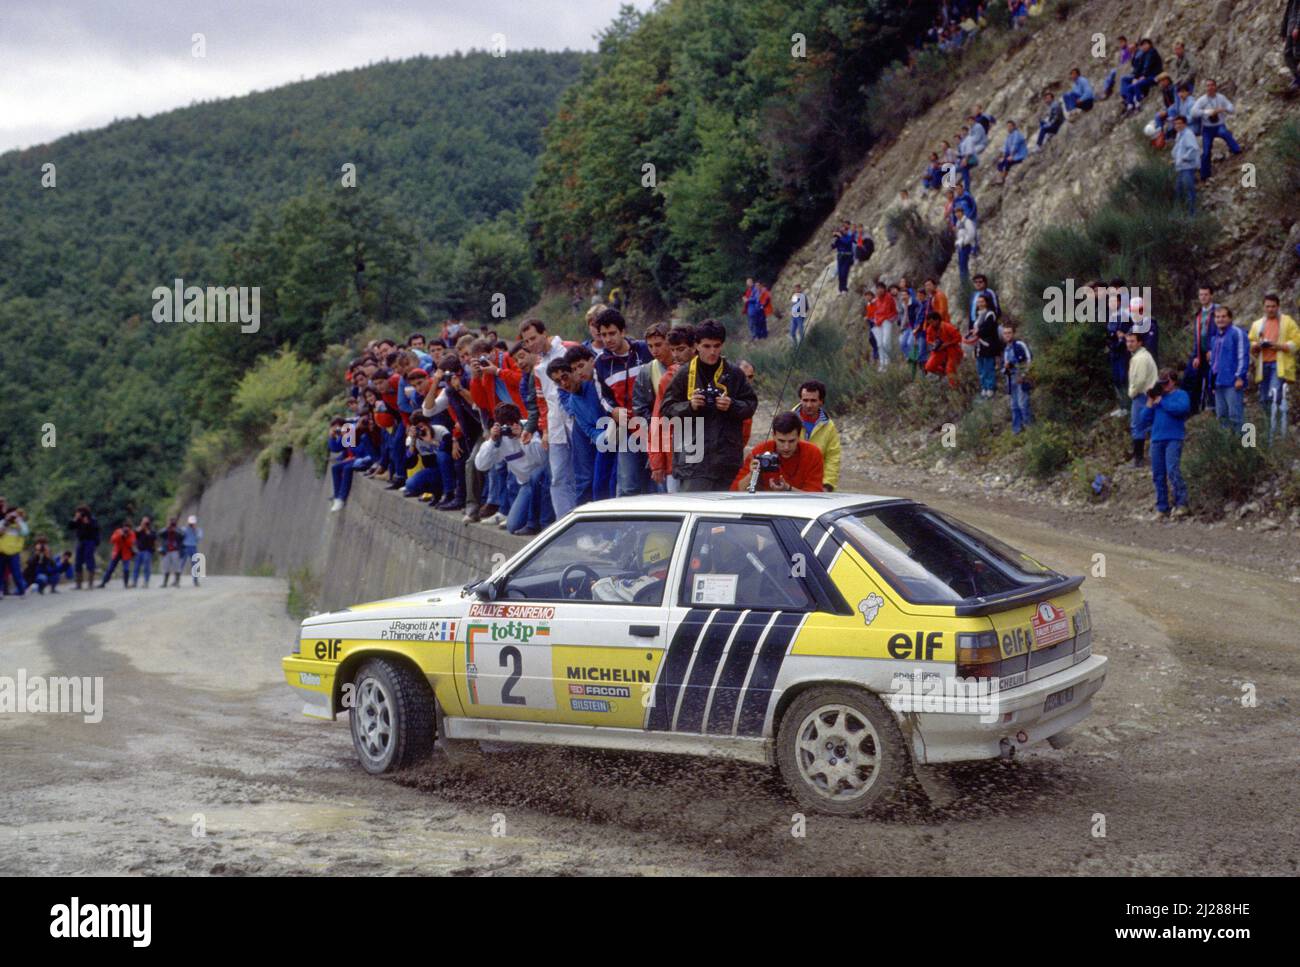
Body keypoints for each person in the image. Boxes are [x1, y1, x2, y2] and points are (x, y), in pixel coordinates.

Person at [660, 319, 757, 491]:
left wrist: (732, 405)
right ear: (696, 345)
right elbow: (666, 409)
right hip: (693, 463)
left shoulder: (734, 373)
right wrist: (690, 406)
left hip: (727, 461)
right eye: (706, 346)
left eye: (716, 346)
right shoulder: (684, 374)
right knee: (693, 508)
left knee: (726, 514)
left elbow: (750, 405)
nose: (712, 351)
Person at [520, 319, 577, 517]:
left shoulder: (568, 349)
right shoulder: (538, 366)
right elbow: (541, 402)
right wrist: (543, 429)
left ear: (545, 333)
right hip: (554, 427)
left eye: (533, 338)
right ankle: (565, 523)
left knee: (582, 475)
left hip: (577, 422)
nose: (531, 344)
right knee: (558, 478)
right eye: (527, 342)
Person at [594, 310, 654, 497]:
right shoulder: (601, 362)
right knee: (628, 485)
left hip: (655, 426)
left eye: (612, 333)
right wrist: (614, 411)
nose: (608, 339)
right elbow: (603, 396)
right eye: (603, 335)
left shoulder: (644, 350)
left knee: (656, 483)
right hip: (627, 429)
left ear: (622, 331)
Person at [473, 403, 551, 536]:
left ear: (519, 419)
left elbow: (542, 460)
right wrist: (492, 441)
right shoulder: (499, 438)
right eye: (505, 425)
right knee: (513, 525)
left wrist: (523, 437)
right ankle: (534, 515)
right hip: (526, 485)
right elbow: (481, 465)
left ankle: (542, 521)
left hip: (543, 480)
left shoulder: (529, 427)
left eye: (511, 424)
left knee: (536, 476)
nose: (508, 429)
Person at [1138, 370, 1192, 518]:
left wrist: (1162, 401)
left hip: (1174, 437)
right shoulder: (1157, 398)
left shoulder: (1180, 395)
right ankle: (1162, 507)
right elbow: (1142, 420)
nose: (1165, 386)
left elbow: (1182, 409)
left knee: (1173, 469)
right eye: (1162, 383)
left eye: (1167, 382)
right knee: (1158, 474)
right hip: (1157, 439)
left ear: (1173, 381)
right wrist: (1149, 403)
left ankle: (1182, 503)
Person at [1248, 294, 1300, 442]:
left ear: (1278, 306)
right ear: (1263, 307)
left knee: (1274, 395)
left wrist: (1279, 346)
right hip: (1262, 364)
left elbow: (1297, 340)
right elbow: (1251, 341)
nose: (1270, 309)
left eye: (1273, 306)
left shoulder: (1287, 322)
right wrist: (1256, 346)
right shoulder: (1257, 324)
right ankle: (1268, 428)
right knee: (1264, 399)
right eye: (1267, 306)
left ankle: (1277, 432)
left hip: (1279, 365)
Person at [733, 412, 825, 493]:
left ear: (799, 436)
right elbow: (736, 491)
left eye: (791, 441)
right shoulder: (760, 452)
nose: (786, 447)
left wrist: (788, 489)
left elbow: (815, 496)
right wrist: (751, 475)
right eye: (781, 441)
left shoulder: (812, 454)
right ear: (773, 436)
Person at [1191, 78, 1242, 181]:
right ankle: (1205, 174)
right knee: (1206, 151)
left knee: (1224, 133)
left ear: (1215, 86)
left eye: (1212, 85)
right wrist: (1207, 112)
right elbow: (1193, 112)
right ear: (1206, 88)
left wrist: (1223, 109)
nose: (1210, 87)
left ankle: (1237, 150)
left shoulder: (1221, 98)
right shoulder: (1202, 100)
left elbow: (1232, 108)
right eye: (1208, 85)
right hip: (1207, 128)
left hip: (1219, 125)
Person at [796, 380, 842, 491]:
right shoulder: (787, 420)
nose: (808, 405)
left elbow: (833, 458)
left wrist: (828, 485)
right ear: (800, 400)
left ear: (821, 401)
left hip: (816, 486)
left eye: (813, 401)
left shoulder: (829, 427)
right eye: (805, 400)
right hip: (790, 484)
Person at [1184, 284, 1219, 413]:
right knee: (1193, 377)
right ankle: (1194, 409)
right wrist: (1196, 355)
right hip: (1200, 352)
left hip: (1213, 352)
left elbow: (1220, 333)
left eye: (1206, 294)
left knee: (1212, 379)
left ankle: (1213, 408)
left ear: (1211, 295)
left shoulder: (1217, 311)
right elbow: (1197, 336)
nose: (1203, 297)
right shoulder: (1199, 314)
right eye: (1201, 295)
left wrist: (1213, 349)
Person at [1126, 331, 1158, 467]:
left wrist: (1132, 392)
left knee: (1138, 426)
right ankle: (1150, 456)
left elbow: (1139, 380)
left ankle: (1138, 459)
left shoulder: (1140, 359)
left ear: (1140, 342)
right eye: (1128, 341)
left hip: (1142, 395)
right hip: (1148, 393)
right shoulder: (1143, 356)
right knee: (1148, 425)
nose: (1129, 344)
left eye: (1132, 341)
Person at [1001, 322, 1033, 433]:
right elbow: (1004, 367)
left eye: (1009, 333)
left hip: (1020, 378)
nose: (1007, 335)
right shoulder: (1005, 350)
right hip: (1011, 379)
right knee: (1014, 405)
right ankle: (1017, 429)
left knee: (1023, 403)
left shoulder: (1020, 345)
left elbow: (1028, 360)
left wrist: (1023, 375)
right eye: (1005, 333)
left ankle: (1030, 427)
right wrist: (1005, 368)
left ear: (1013, 333)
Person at [969, 295, 1002, 397]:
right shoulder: (976, 315)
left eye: (982, 302)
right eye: (978, 302)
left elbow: (988, 328)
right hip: (979, 345)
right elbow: (972, 328)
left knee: (988, 367)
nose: (980, 304)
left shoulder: (990, 314)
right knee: (980, 368)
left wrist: (978, 332)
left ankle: (990, 387)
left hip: (988, 345)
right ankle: (984, 387)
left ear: (986, 302)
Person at [1121, 38, 1163, 115]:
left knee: (1137, 84)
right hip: (1147, 76)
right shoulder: (1144, 54)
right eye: (1142, 45)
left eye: (1145, 44)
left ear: (1149, 44)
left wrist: (1143, 76)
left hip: (1154, 76)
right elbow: (1139, 67)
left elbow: (1147, 66)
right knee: (1129, 87)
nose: (1143, 47)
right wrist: (1135, 77)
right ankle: (1130, 104)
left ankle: (1138, 103)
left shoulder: (1152, 52)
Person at [923, 311, 963, 387]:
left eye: (932, 322)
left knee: (950, 369)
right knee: (929, 366)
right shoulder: (930, 328)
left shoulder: (948, 327)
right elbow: (928, 340)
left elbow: (958, 338)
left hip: (952, 349)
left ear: (937, 320)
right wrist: (934, 344)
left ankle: (954, 388)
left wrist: (946, 344)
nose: (931, 324)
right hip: (939, 350)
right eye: (929, 323)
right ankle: (944, 373)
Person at [1171, 114, 1199, 216]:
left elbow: (1193, 149)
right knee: (1179, 191)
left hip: (1187, 167)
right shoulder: (1180, 135)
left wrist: (1183, 158)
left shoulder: (1188, 134)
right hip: (1181, 168)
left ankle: (1192, 215)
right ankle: (1181, 213)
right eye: (1175, 124)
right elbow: (1179, 150)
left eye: (1179, 123)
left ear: (1185, 124)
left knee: (1188, 191)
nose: (1177, 126)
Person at [865, 282, 896, 370]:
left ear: (884, 289)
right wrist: (873, 319)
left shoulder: (888, 297)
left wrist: (889, 318)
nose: (879, 290)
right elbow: (872, 312)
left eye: (881, 288)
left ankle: (888, 362)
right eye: (877, 288)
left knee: (886, 342)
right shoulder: (875, 300)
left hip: (886, 321)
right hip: (877, 323)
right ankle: (882, 364)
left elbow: (890, 310)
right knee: (879, 344)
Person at [67, 504, 100, 589]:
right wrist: (75, 518)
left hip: (90, 542)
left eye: (80, 512)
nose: (79, 514)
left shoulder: (92, 520)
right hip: (81, 541)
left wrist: (87, 523)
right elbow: (70, 526)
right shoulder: (78, 520)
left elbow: (96, 530)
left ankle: (90, 583)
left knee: (89, 561)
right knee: (78, 562)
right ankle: (78, 584)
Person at [0, 507, 29, 596]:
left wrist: (18, 523)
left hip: (14, 552)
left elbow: (25, 533)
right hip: (2, 551)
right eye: (11, 514)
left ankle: (21, 590)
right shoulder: (2, 522)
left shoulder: (21, 523)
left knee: (16, 573)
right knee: (0, 572)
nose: (12, 516)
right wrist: (6, 523)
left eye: (14, 515)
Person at [100, 519, 136, 589]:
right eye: (125, 526)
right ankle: (103, 582)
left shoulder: (131, 534)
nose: (126, 529)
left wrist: (126, 537)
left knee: (126, 569)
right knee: (110, 568)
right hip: (117, 552)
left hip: (126, 553)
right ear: (123, 527)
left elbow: (131, 543)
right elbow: (112, 540)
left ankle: (126, 584)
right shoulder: (118, 531)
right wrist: (120, 536)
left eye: (128, 527)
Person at [994, 120, 1028, 185]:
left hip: (1019, 155)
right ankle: (1000, 177)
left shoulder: (1017, 134)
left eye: (1010, 126)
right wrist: (1003, 157)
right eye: (1008, 126)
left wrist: (1011, 156)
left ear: (1014, 126)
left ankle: (1003, 178)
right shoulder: (1009, 136)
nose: (1009, 128)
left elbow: (1015, 146)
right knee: (1000, 162)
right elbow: (1005, 147)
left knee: (1008, 162)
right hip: (1012, 154)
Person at [131, 516, 157, 588]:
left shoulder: (151, 530)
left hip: (147, 551)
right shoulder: (139, 529)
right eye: (143, 522)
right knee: (136, 567)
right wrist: (140, 528)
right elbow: (134, 535)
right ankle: (134, 582)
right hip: (139, 551)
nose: (145, 524)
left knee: (146, 567)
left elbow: (153, 538)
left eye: (146, 522)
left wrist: (147, 531)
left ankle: (146, 582)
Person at [159, 518, 185, 588]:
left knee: (177, 567)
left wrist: (175, 530)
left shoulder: (178, 530)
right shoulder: (166, 530)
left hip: (175, 550)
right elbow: (160, 533)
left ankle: (177, 582)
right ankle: (165, 583)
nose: (172, 524)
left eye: (173, 523)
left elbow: (183, 536)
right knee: (166, 567)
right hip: (166, 551)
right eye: (171, 523)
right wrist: (167, 528)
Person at [831, 221, 856, 294]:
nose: (844, 231)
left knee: (844, 272)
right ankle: (840, 289)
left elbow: (847, 242)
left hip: (847, 256)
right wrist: (834, 239)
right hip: (840, 256)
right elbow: (833, 246)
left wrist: (840, 236)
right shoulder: (839, 238)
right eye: (843, 230)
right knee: (840, 273)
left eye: (845, 230)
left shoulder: (849, 237)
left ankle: (844, 288)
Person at [955, 211, 978, 283]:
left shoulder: (967, 221)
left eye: (959, 212)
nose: (957, 214)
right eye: (956, 213)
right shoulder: (958, 223)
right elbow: (958, 234)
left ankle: (968, 282)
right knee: (962, 265)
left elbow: (971, 234)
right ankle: (964, 283)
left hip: (967, 246)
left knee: (966, 265)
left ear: (962, 213)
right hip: (961, 246)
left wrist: (964, 242)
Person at [182, 515, 203, 587]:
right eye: (190, 523)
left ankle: (195, 580)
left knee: (195, 565)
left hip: (193, 547)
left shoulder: (198, 530)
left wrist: (195, 530)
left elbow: (199, 537)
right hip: (185, 547)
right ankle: (177, 579)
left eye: (193, 523)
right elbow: (181, 536)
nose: (191, 524)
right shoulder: (184, 529)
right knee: (181, 563)